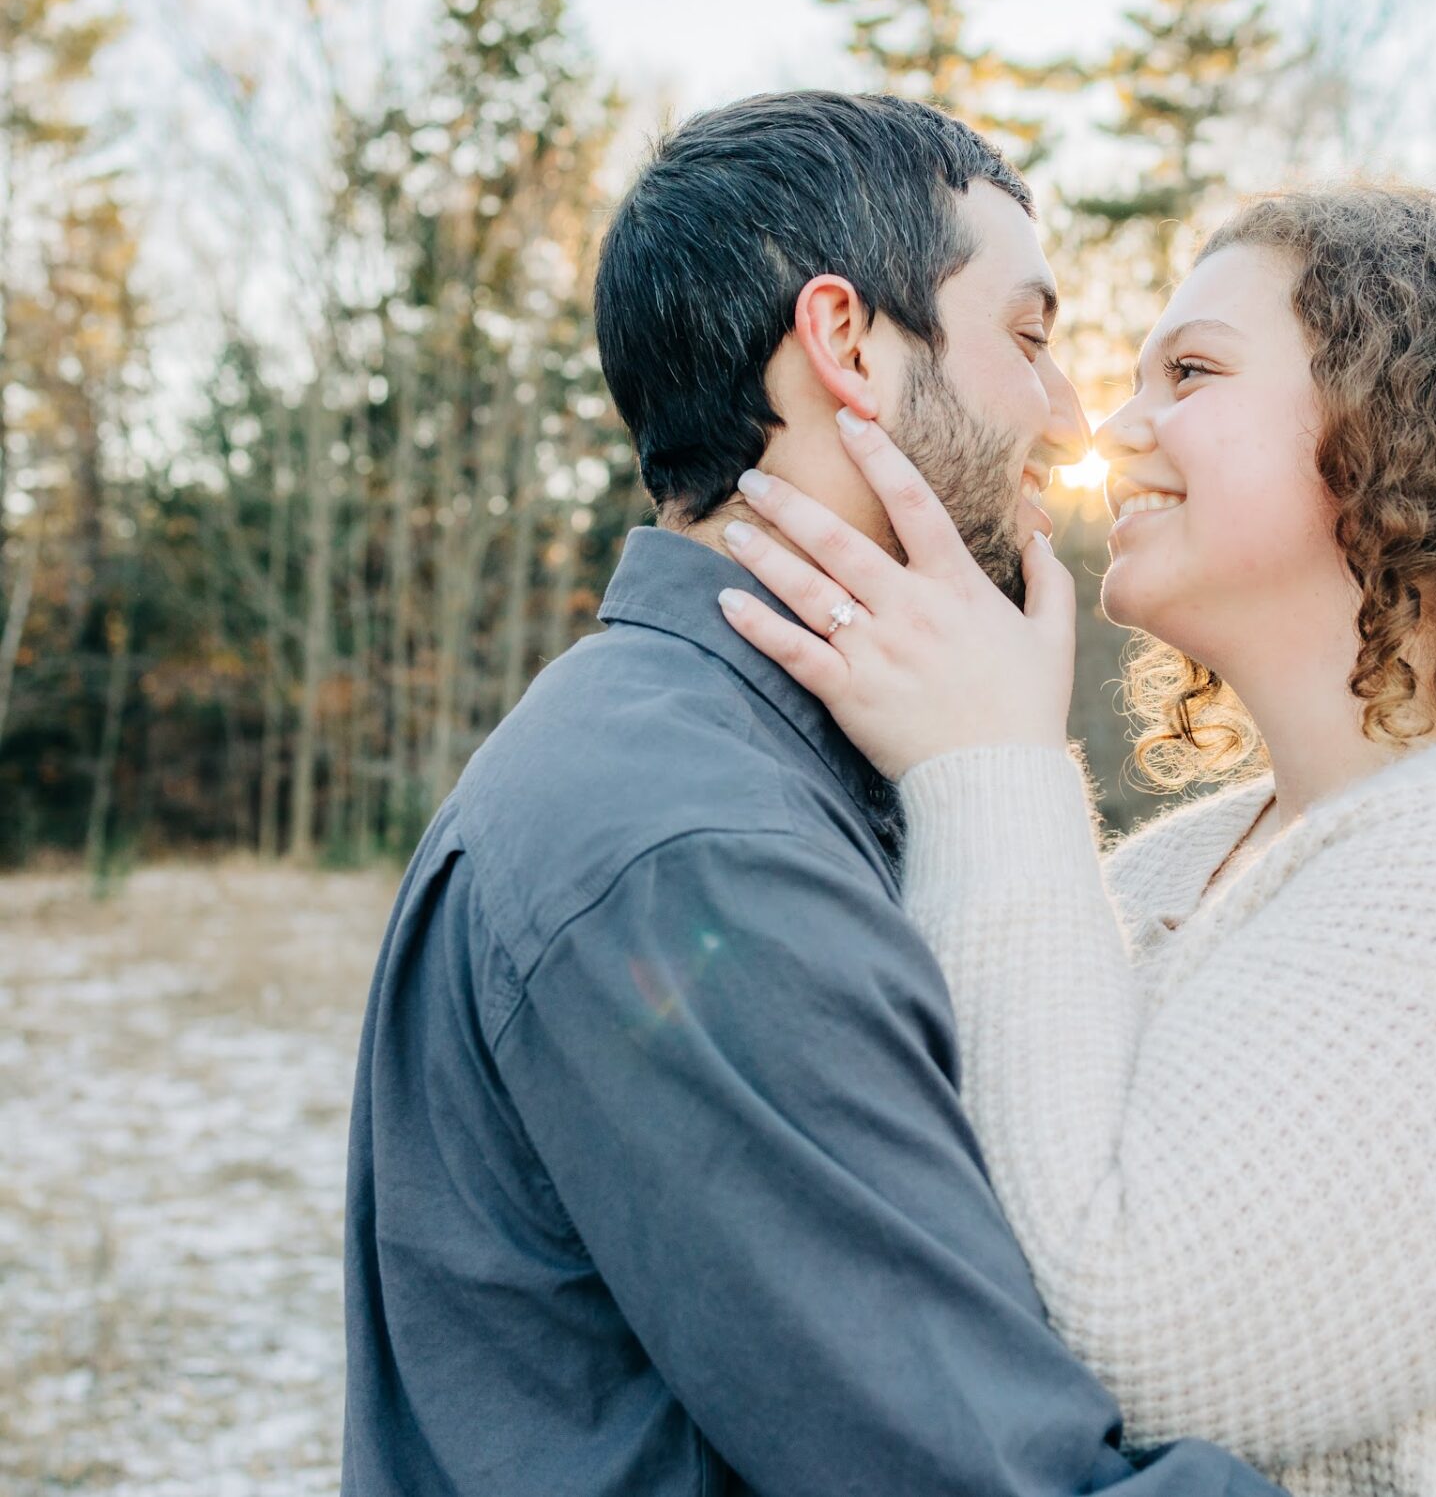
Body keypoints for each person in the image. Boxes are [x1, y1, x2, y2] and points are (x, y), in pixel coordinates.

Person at [717, 181, 1436, 1496]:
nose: (1115, 430)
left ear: (1404, 415)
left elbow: (1117, 1346)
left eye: (1189, 371)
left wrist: (988, 764)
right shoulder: (1178, 867)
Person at [339, 90, 1285, 1497]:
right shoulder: (694, 846)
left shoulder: (730, 761)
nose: (1072, 412)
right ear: (844, 340)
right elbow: (992, 1477)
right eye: (1027, 337)